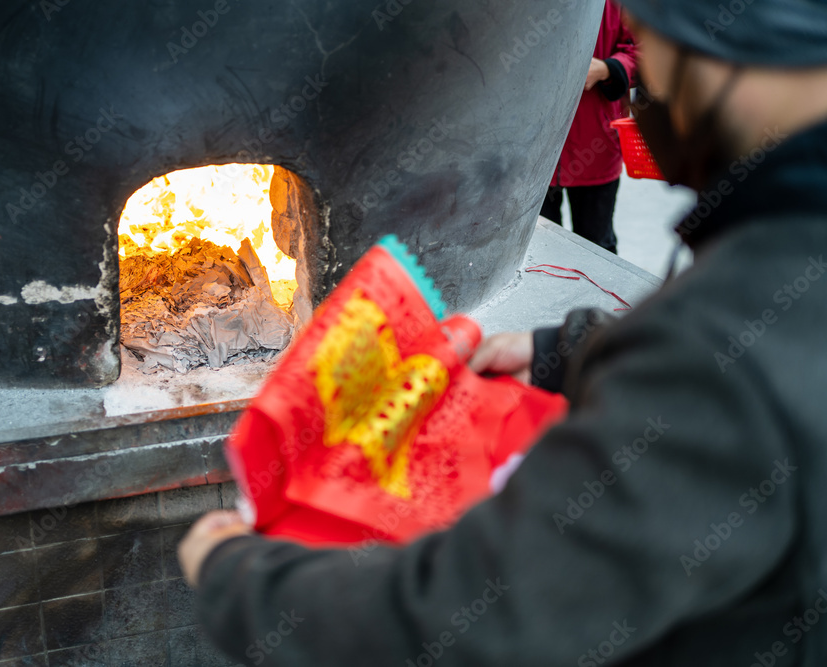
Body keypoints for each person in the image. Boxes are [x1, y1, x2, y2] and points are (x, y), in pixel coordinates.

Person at [179, 0, 827, 664]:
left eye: (659, 58)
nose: (653, 95)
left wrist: (239, 577)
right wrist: (569, 351)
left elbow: (476, 614)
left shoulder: (731, 345)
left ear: (741, 59)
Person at [540, 0, 637, 254]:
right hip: (535, 152)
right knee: (539, 251)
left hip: (597, 146)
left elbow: (646, 50)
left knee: (597, 249)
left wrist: (606, 69)